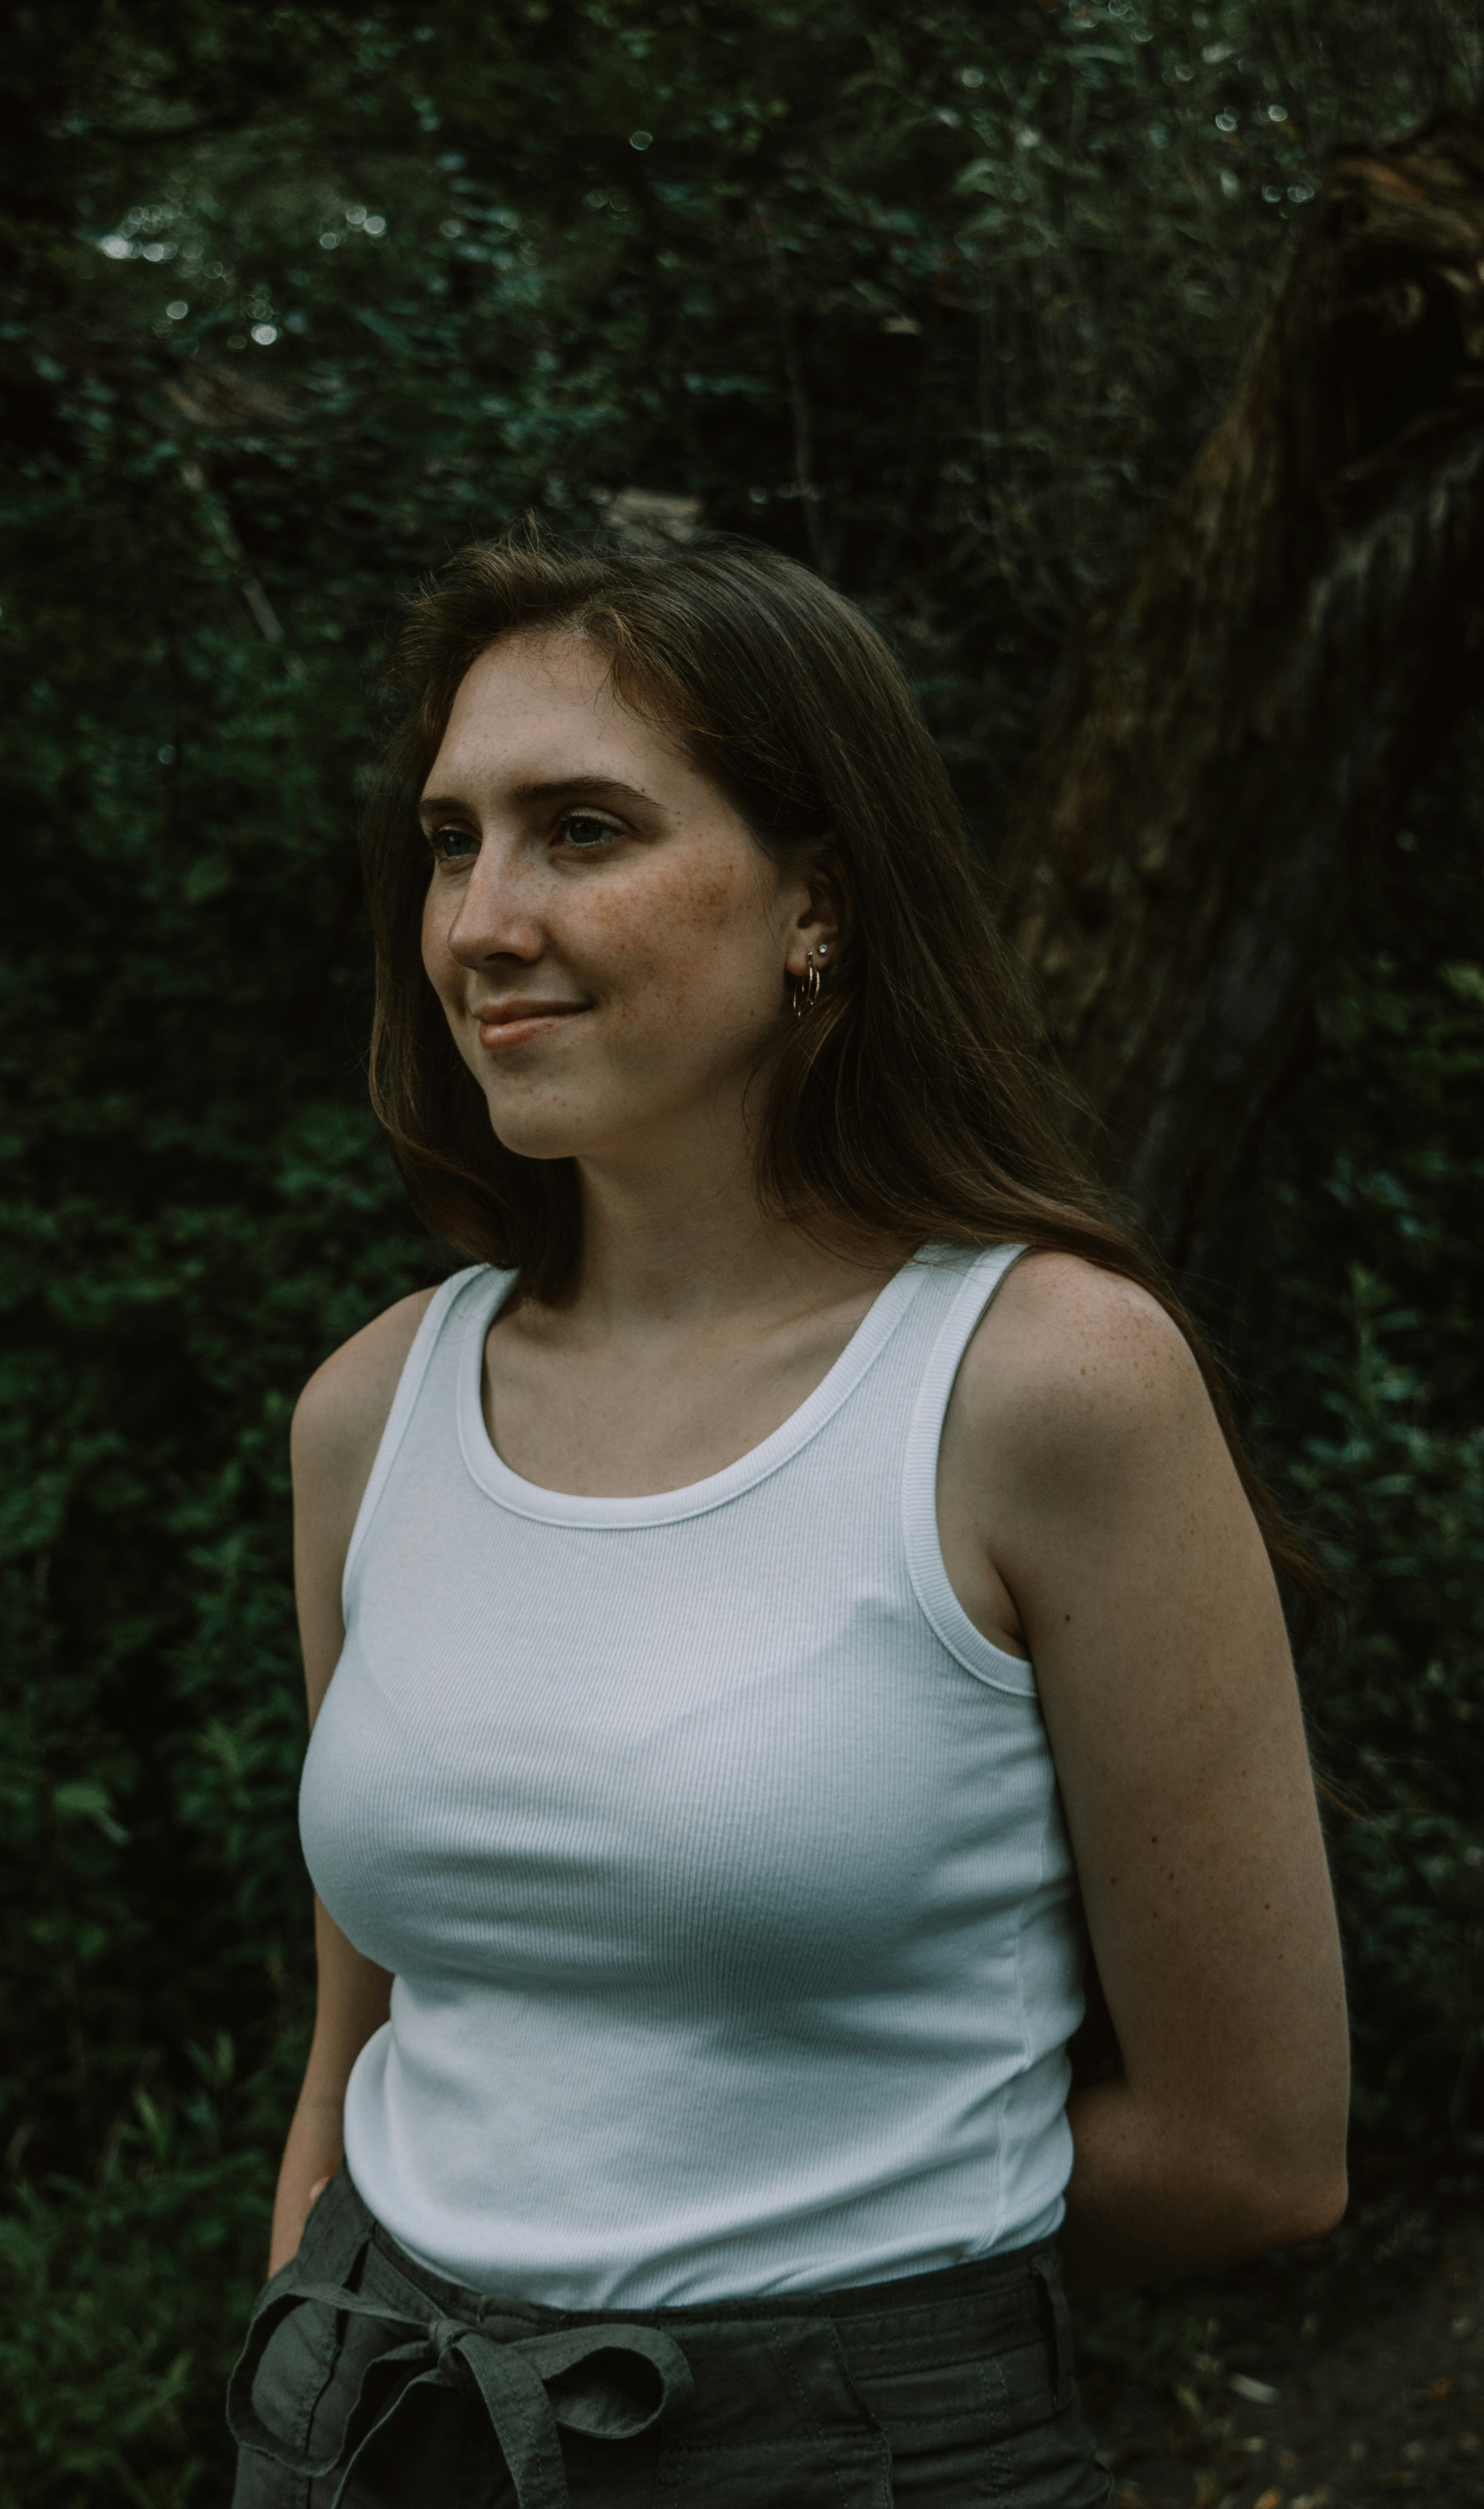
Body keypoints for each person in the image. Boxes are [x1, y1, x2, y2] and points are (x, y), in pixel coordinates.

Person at [229, 531, 1349, 2509]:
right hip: (363, 2427)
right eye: (451, 841)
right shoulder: (372, 1411)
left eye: (582, 831)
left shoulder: (1042, 1385)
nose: (482, 920)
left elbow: (1252, 2152)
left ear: (817, 903)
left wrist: (825, 2317)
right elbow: (359, 2053)